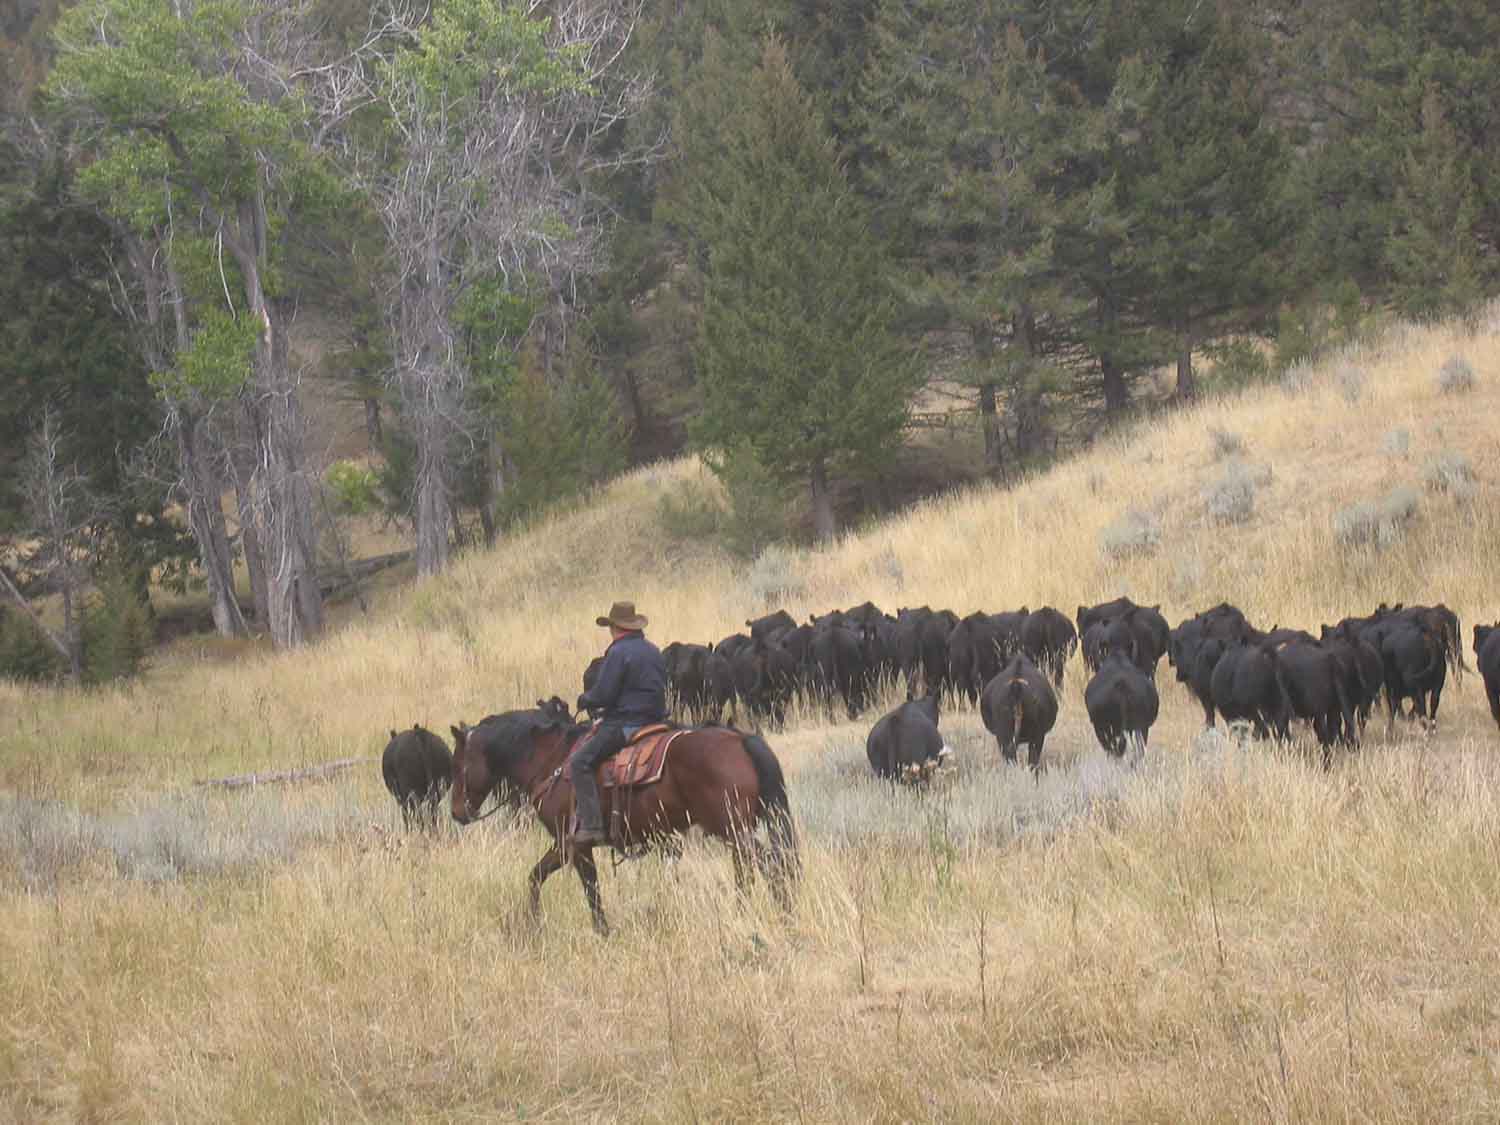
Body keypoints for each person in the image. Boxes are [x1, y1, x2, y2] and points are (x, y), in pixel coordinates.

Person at [569, 600, 668, 847]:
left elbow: (605, 694)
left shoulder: (618, 652)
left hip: (627, 724)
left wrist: (585, 699)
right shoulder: (653, 650)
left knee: (579, 761)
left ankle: (592, 826)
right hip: (656, 722)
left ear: (616, 627)